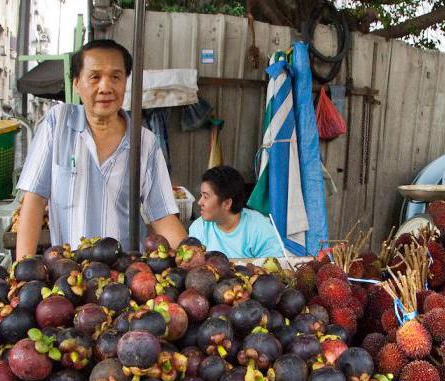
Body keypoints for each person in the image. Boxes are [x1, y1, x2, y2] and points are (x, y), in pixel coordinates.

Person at [15, 39, 186, 259]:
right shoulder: (57, 124)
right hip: (69, 275)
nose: (105, 87)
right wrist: (22, 269)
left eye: (115, 77)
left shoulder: (145, 142)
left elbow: (162, 216)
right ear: (76, 83)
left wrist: (192, 259)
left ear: (126, 83)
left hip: (126, 278)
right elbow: (34, 199)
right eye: (95, 77)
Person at [189, 166, 284, 258]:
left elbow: (275, 265)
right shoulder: (199, 228)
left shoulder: (258, 227)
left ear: (226, 203)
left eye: (206, 197)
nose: (199, 202)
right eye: (201, 195)